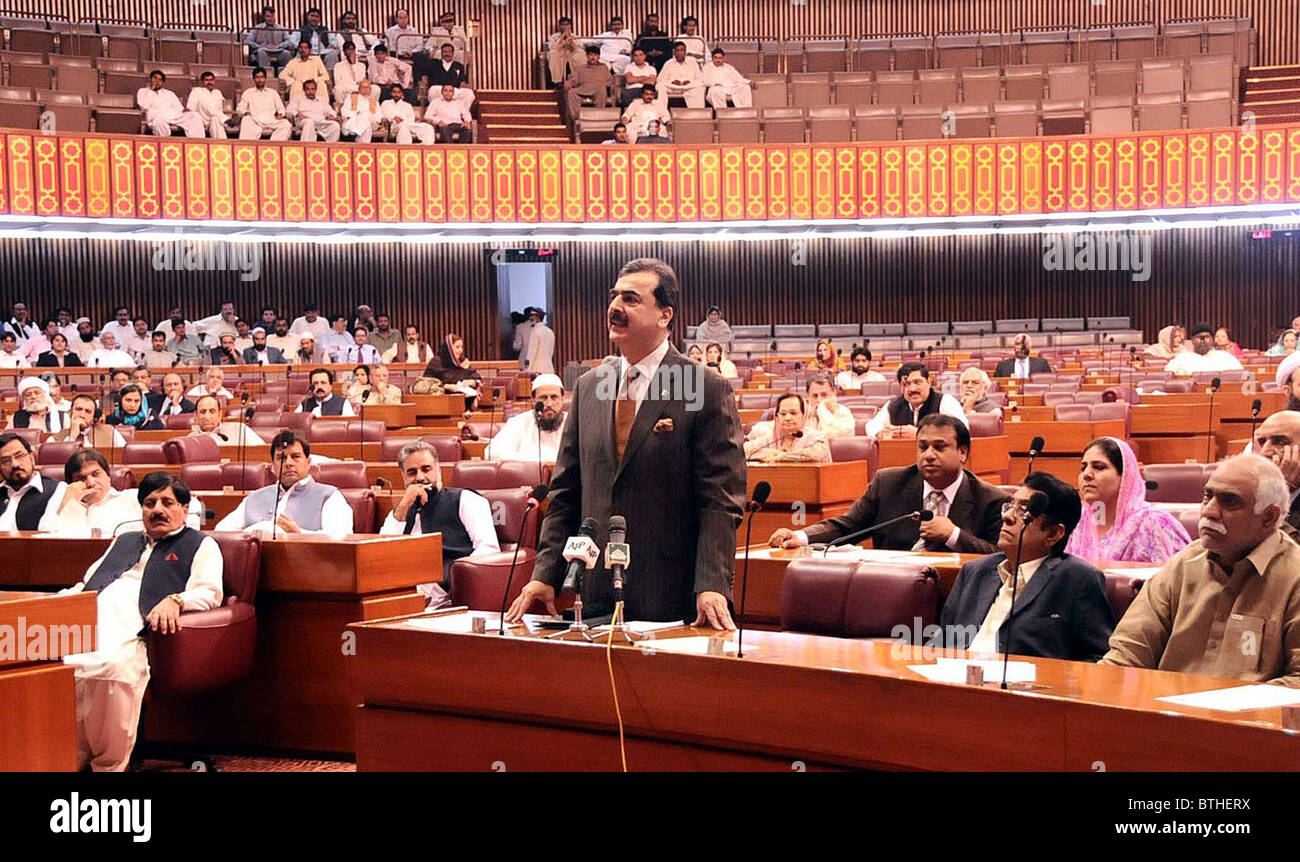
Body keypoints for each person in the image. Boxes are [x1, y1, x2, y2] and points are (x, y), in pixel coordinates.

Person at [506, 258, 746, 629]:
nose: (614, 307)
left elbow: (720, 499)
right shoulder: (589, 387)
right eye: (614, 296)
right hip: (595, 594)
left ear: (665, 315)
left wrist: (712, 583)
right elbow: (566, 492)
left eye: (631, 299)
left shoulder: (703, 387)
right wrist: (545, 573)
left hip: (672, 596)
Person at [59, 472, 222, 771]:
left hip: (138, 625)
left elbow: (210, 592)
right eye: (149, 503)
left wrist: (176, 600)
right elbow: (87, 582)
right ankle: (68, 757)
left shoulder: (201, 544)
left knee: (114, 668)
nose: (157, 509)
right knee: (55, 664)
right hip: (92, 614)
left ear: (185, 509)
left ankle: (108, 765)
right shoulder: (125, 540)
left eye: (167, 502)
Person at [1100, 454, 1300, 686]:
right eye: (1208, 496)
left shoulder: (1294, 576)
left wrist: (1223, 710)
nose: (1209, 512)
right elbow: (1126, 654)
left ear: (1269, 518)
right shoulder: (1183, 564)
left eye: (1230, 501)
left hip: (1248, 720)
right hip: (1164, 713)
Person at [939, 472, 1115, 661]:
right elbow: (941, 641)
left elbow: (1098, 657)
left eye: (1024, 511)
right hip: (954, 679)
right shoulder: (975, 571)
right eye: (1009, 506)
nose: (1007, 516)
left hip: (1020, 686)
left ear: (1054, 533)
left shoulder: (1076, 579)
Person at [769, 414, 1007, 553]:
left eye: (940, 447)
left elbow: (1002, 556)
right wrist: (800, 536)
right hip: (890, 591)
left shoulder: (991, 499)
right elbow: (847, 526)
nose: (929, 455)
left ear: (963, 452)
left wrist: (953, 535)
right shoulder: (889, 483)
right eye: (923, 447)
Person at [379, 440, 499, 580]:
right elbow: (381, 554)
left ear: (438, 471)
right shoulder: (400, 512)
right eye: (412, 472)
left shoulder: (466, 500)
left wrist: (457, 578)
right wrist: (404, 505)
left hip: (448, 587)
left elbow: (489, 549)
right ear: (403, 477)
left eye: (426, 469)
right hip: (403, 585)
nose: (420, 478)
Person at [1066, 437, 1191, 564]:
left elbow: (1174, 578)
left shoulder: (1153, 523)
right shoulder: (1077, 521)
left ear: (1125, 475)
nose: (1086, 474)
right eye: (1083, 468)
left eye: (1099, 467)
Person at [215, 431, 351, 538]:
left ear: (308, 462)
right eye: (281, 458)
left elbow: (340, 538)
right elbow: (221, 533)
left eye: (296, 457)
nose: (288, 463)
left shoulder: (329, 496)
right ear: (273, 466)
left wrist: (299, 534)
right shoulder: (254, 498)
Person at [38, 449, 140, 537]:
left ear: (108, 476)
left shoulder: (132, 498)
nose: (90, 483)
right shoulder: (59, 503)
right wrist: (69, 503)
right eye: (81, 478)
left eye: (95, 474)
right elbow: (45, 538)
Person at [865, 361, 967, 439]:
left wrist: (921, 434)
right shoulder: (893, 405)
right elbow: (871, 425)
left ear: (929, 382)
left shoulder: (945, 401)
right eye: (906, 384)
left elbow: (961, 430)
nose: (912, 389)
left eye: (917, 382)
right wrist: (880, 433)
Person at [483, 374, 566, 463]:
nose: (549, 404)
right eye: (543, 398)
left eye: (554, 397)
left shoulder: (573, 423)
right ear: (533, 400)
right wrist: (541, 462)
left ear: (562, 399)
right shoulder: (519, 422)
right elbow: (492, 453)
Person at [0, 432, 65, 530]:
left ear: (32, 458)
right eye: (6, 460)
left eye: (19, 456)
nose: (15, 464)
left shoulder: (57, 490)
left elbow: (52, 532)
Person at [743, 391, 831, 463]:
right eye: (783, 414)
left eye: (793, 413)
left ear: (803, 415)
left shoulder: (817, 437)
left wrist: (782, 456)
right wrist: (763, 454)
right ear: (777, 417)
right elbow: (742, 452)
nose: (788, 418)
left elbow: (816, 455)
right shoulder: (771, 439)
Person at [1251, 410, 1300, 533]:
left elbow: (1288, 549)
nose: (1265, 452)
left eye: (1280, 442)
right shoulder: (1252, 490)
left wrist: (1281, 493)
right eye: (1262, 442)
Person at [136, 70, 204, 138]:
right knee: (158, 122)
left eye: (160, 80)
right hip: (156, 116)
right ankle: (165, 144)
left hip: (173, 116)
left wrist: (185, 111)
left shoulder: (169, 93)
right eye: (155, 78)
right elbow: (143, 105)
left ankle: (198, 143)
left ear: (162, 83)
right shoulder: (143, 91)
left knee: (195, 115)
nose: (157, 81)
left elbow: (179, 108)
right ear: (150, 79)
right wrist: (151, 90)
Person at [423, 333, 482, 406]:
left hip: (464, 403)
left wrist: (471, 381)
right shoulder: (436, 363)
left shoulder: (463, 362)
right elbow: (427, 385)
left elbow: (476, 377)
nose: (461, 350)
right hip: (441, 403)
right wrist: (447, 386)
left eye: (461, 347)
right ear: (449, 348)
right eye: (457, 347)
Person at [52, 394, 126, 449]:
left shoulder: (110, 432)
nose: (82, 414)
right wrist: (72, 437)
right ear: (70, 413)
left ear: (94, 416)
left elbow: (125, 455)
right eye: (78, 409)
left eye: (88, 411)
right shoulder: (56, 438)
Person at [1166, 322, 1245, 373]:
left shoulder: (1225, 357)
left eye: (1206, 337)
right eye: (1199, 337)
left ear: (1212, 339)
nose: (1203, 341)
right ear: (1192, 340)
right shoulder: (1181, 359)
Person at [189, 394, 264, 448]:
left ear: (219, 414)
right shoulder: (190, 440)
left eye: (212, 411)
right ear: (195, 416)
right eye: (203, 412)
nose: (207, 416)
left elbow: (261, 451)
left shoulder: (239, 429)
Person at [237, 67, 292, 141]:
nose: (260, 80)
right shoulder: (248, 92)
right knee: (246, 120)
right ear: (253, 79)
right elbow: (240, 108)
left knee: (286, 125)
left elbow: (281, 108)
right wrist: (245, 112)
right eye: (257, 77)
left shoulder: (273, 93)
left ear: (265, 79)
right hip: (254, 120)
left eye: (262, 77)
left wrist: (280, 114)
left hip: (271, 119)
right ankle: (247, 147)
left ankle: (273, 146)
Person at [563, 46, 611, 124]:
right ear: (587, 56)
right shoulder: (581, 68)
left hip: (598, 90)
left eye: (595, 55)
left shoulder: (603, 67)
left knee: (602, 89)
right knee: (571, 93)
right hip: (583, 89)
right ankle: (576, 118)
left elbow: (610, 81)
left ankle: (599, 115)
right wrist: (569, 83)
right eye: (591, 55)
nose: (593, 57)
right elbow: (574, 81)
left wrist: (605, 85)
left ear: (598, 57)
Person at [803, 373, 854, 438]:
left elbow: (829, 435)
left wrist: (822, 409)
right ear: (808, 397)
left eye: (824, 395)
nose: (819, 400)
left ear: (834, 394)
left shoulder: (843, 412)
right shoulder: (802, 415)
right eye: (814, 396)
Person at [245, 4, 294, 73]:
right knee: (261, 52)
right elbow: (248, 40)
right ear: (264, 17)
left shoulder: (281, 28)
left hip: (277, 50)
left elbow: (288, 41)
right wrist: (260, 46)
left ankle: (286, 75)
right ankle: (267, 75)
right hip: (263, 50)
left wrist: (278, 46)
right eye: (268, 16)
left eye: (272, 16)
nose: (270, 18)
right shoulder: (257, 28)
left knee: (287, 53)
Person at [655, 41, 704, 108]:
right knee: (660, 86)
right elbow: (660, 79)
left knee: (700, 88)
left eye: (682, 50)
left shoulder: (693, 62)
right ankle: (662, 113)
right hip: (673, 87)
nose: (679, 53)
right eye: (677, 50)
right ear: (674, 52)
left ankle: (696, 113)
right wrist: (672, 82)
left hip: (689, 87)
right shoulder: (669, 63)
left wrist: (690, 82)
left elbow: (700, 79)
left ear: (685, 52)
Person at [186, 71, 230, 138]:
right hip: (201, 120)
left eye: (211, 80)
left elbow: (219, 108)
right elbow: (191, 107)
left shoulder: (218, 92)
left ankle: (220, 145)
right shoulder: (196, 91)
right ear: (202, 81)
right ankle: (225, 119)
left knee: (215, 119)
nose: (209, 82)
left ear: (214, 81)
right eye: (206, 80)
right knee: (205, 101)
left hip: (216, 121)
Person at [546, 16, 582, 85]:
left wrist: (570, 38)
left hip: (571, 55)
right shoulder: (554, 37)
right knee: (553, 53)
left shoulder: (575, 36)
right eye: (563, 24)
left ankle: (578, 81)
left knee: (580, 54)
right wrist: (562, 37)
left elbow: (578, 47)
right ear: (559, 26)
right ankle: (557, 81)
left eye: (567, 24)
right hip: (560, 55)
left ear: (570, 26)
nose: (565, 27)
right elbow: (552, 48)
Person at [333, 40, 368, 104]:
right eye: (348, 49)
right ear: (344, 52)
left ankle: (370, 106)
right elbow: (338, 82)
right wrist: (351, 88)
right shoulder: (338, 65)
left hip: (358, 88)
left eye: (352, 49)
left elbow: (360, 81)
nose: (351, 52)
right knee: (338, 89)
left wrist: (353, 64)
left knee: (375, 89)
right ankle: (340, 107)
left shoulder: (362, 65)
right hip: (345, 88)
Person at [524, 308, 555, 374]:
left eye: (532, 315)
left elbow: (532, 353)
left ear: (537, 317)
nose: (530, 318)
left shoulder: (535, 332)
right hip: (549, 368)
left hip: (537, 369)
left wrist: (528, 371)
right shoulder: (550, 332)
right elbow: (551, 352)